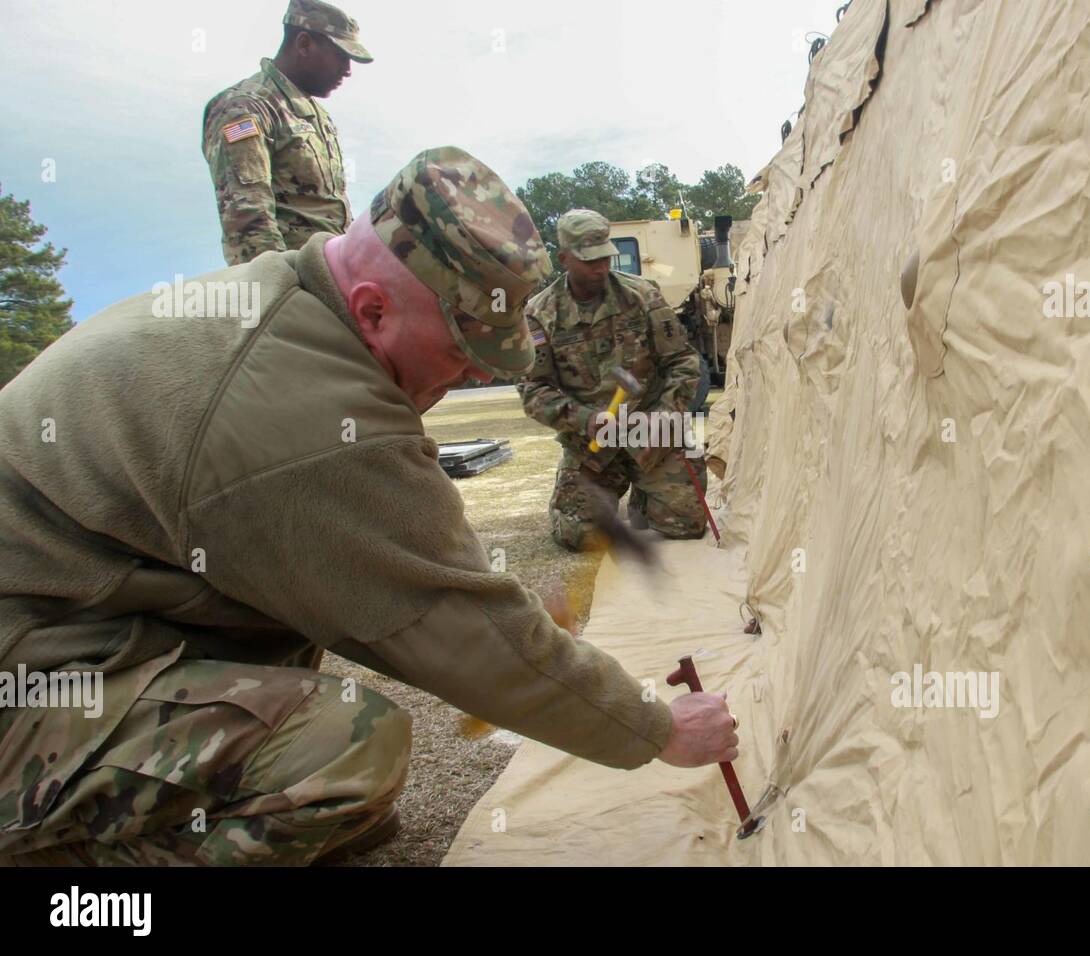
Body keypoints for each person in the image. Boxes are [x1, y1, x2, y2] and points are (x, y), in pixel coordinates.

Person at [0, 148, 738, 866]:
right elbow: (451, 624)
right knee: (349, 740)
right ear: (373, 308)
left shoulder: (294, 311)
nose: (472, 374)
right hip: (28, 686)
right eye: (461, 352)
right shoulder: (299, 413)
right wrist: (654, 728)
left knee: (298, 673)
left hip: (79, 623)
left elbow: (392, 559)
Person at [517, 209, 709, 550]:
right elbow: (533, 391)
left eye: (605, 258)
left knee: (686, 526)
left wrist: (664, 417)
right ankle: (615, 490)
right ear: (563, 258)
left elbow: (683, 361)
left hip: (652, 434)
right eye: (590, 261)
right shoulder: (539, 314)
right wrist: (585, 419)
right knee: (579, 536)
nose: (601, 268)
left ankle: (646, 496)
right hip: (593, 445)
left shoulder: (642, 296)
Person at [201, 0, 372, 265]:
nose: (348, 70)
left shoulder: (316, 114)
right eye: (341, 56)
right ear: (304, 44)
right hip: (293, 282)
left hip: (330, 273)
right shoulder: (245, 107)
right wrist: (281, 288)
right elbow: (247, 219)